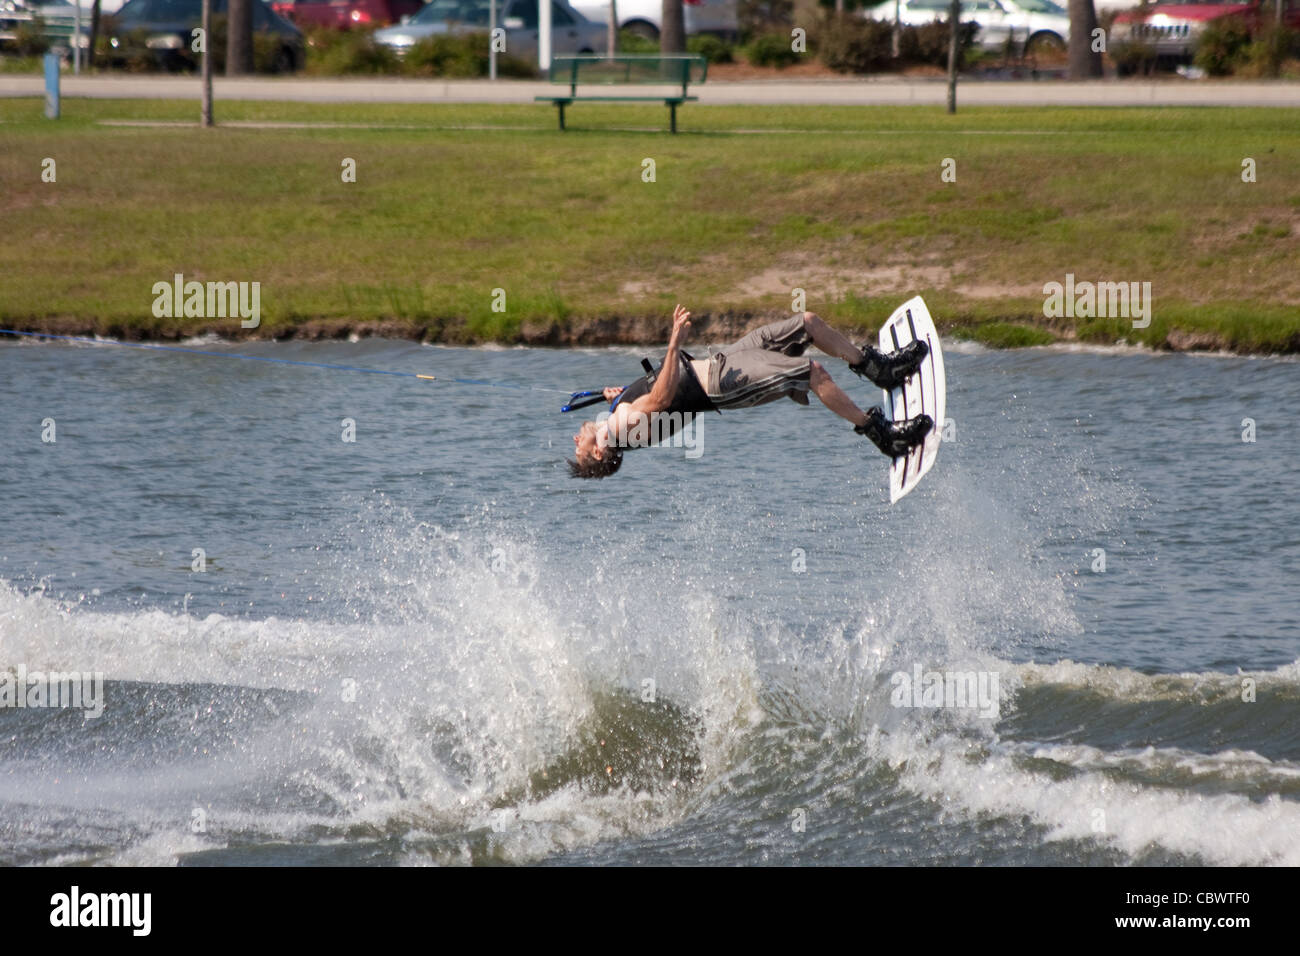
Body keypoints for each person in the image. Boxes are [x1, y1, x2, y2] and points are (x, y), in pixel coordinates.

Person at [568, 305, 932, 479]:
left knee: (806, 323)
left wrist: (616, 396)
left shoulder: (617, 418)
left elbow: (648, 400)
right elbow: (662, 399)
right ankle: (880, 434)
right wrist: (674, 342)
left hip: (721, 361)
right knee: (812, 373)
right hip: (721, 384)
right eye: (580, 449)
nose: (575, 439)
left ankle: (876, 369)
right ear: (600, 453)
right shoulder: (622, 429)